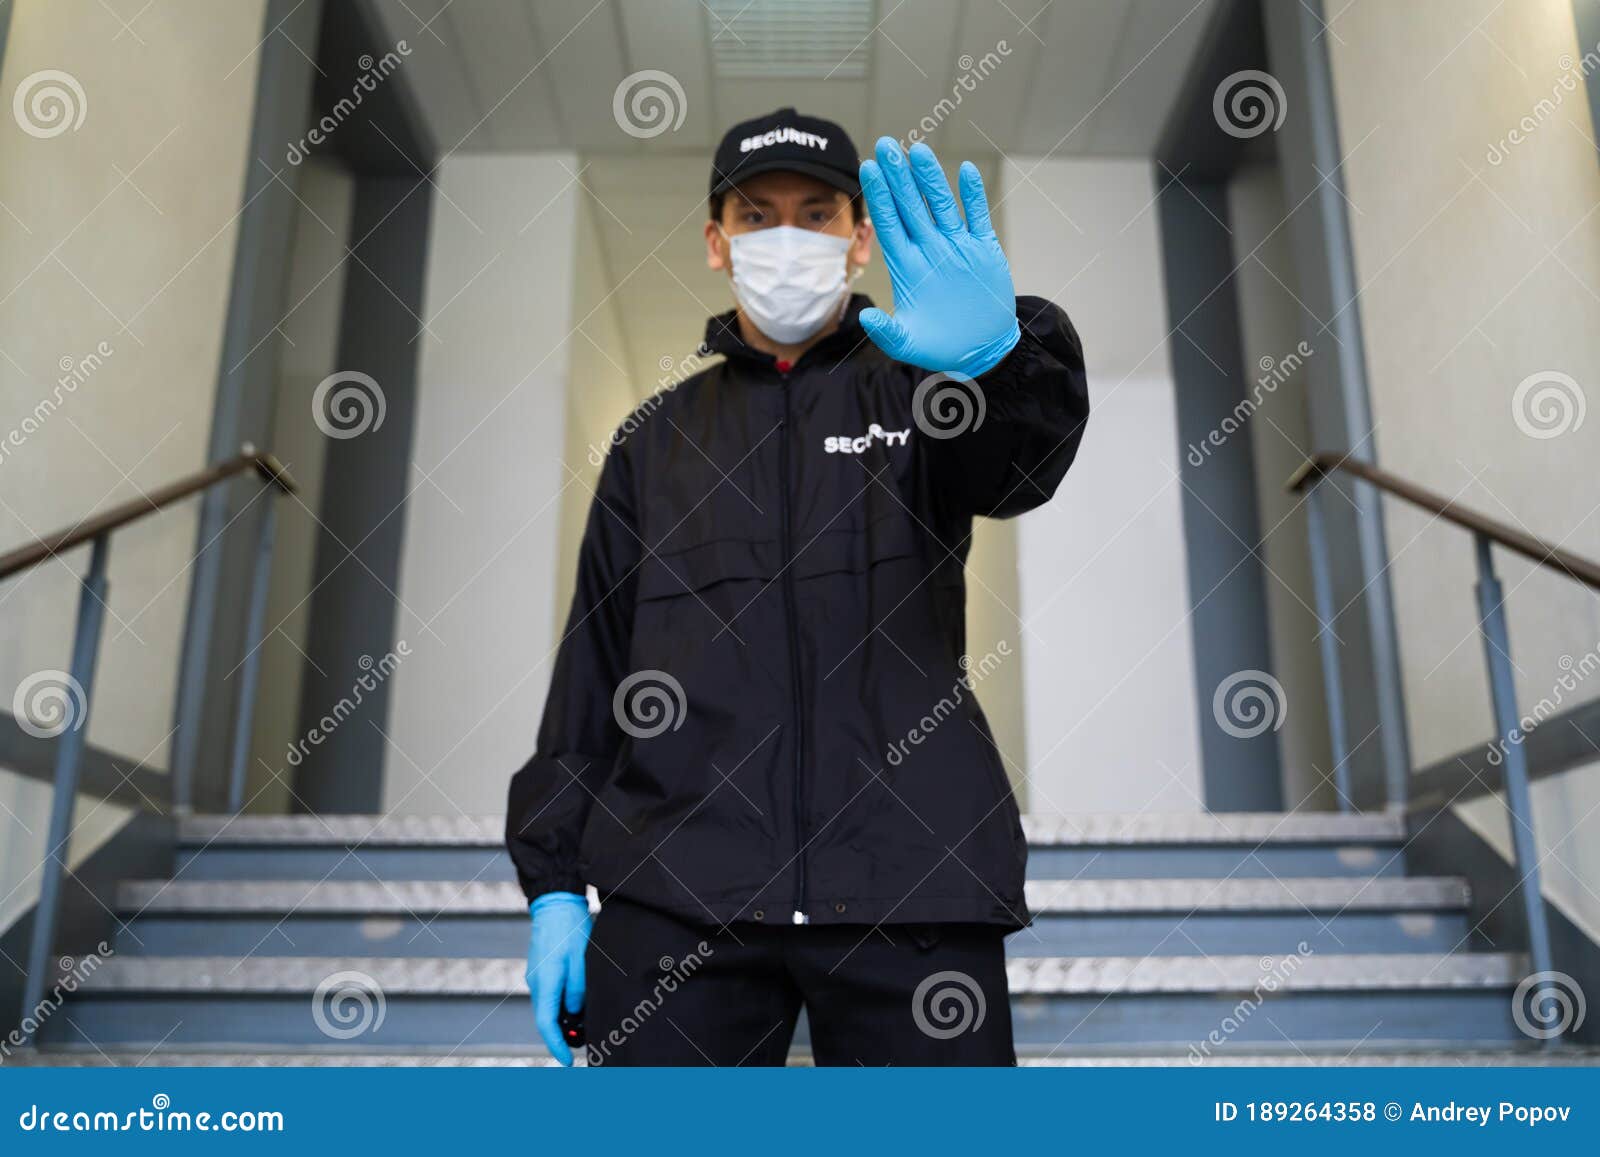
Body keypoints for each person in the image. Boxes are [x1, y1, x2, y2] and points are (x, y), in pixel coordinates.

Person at [507, 108, 1088, 1066]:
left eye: (817, 214)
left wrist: (999, 362)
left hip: (910, 875)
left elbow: (1019, 471)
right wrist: (558, 884)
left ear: (860, 239)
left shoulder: (922, 397)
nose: (787, 238)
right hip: (678, 885)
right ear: (716, 240)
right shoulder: (652, 443)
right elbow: (593, 679)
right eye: (757, 214)